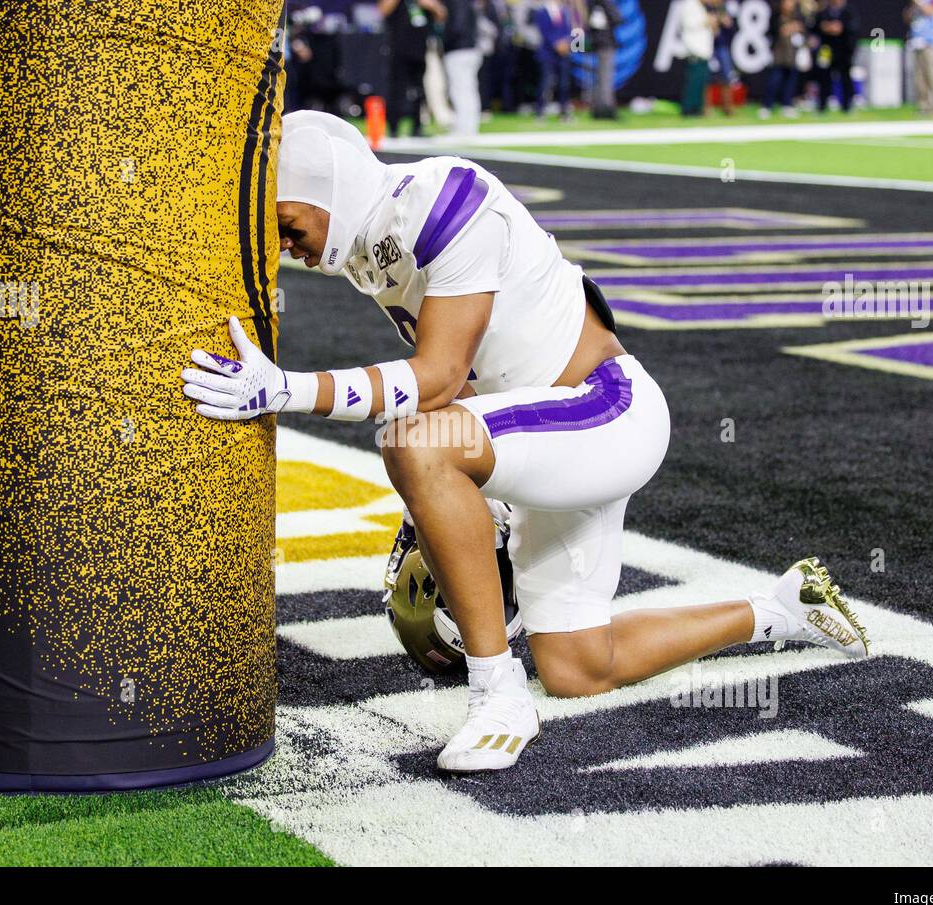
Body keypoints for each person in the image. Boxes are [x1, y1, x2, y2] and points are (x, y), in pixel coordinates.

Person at [179, 111, 872, 772]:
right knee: (578, 667)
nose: (284, 244)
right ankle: (784, 610)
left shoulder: (442, 197)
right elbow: (467, 378)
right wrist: (451, 509)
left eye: (286, 223)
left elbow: (437, 375)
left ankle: (497, 691)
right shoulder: (369, 247)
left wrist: (287, 390)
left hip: (606, 412)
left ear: (328, 188)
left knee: (416, 442)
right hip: (548, 441)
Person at [380, 0, 436, 136]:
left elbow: (441, 14)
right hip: (398, 48)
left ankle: (417, 127)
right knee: (397, 88)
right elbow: (382, 10)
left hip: (419, 48)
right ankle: (393, 127)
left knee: (419, 89)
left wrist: (429, 5)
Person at [436, 0, 482, 135]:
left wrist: (443, 40)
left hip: (458, 50)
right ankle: (469, 126)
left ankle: (464, 128)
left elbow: (456, 26)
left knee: (460, 91)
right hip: (470, 48)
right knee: (469, 90)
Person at [530, 0, 574, 119]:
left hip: (563, 53)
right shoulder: (541, 11)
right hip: (547, 53)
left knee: (564, 83)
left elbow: (568, 29)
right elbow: (544, 31)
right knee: (545, 81)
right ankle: (540, 110)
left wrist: (566, 43)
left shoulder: (564, 11)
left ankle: (564, 110)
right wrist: (556, 44)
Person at [811, 0, 857, 112]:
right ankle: (822, 105)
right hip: (826, 50)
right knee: (824, 77)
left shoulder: (848, 12)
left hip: (843, 50)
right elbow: (815, 28)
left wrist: (841, 27)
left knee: (845, 77)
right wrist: (826, 27)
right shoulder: (823, 12)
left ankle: (846, 105)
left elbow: (853, 29)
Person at [761, 0, 805, 118]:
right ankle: (767, 106)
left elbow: (804, 30)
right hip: (779, 54)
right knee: (774, 81)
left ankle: (787, 105)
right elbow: (772, 32)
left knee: (790, 82)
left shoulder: (798, 16)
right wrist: (786, 29)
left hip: (793, 54)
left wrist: (796, 28)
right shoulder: (776, 16)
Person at [907, 0, 933, 116]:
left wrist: (919, 3)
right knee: (920, 78)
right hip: (918, 41)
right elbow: (908, 17)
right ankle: (924, 106)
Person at [584, 0, 622, 119]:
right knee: (605, 78)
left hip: (595, 44)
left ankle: (598, 108)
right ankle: (605, 109)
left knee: (600, 78)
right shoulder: (602, 3)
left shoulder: (590, 4)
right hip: (604, 44)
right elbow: (617, 18)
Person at [678, 0, 714, 117]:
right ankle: (688, 108)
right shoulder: (689, 4)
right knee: (693, 83)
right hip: (694, 50)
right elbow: (688, 23)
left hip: (702, 51)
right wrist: (706, 21)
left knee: (700, 83)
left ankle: (697, 108)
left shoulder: (700, 6)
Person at [710, 0, 738, 116]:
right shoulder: (707, 8)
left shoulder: (724, 8)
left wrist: (726, 22)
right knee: (707, 79)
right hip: (709, 47)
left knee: (726, 77)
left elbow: (732, 29)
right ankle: (706, 108)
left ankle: (728, 107)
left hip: (722, 47)